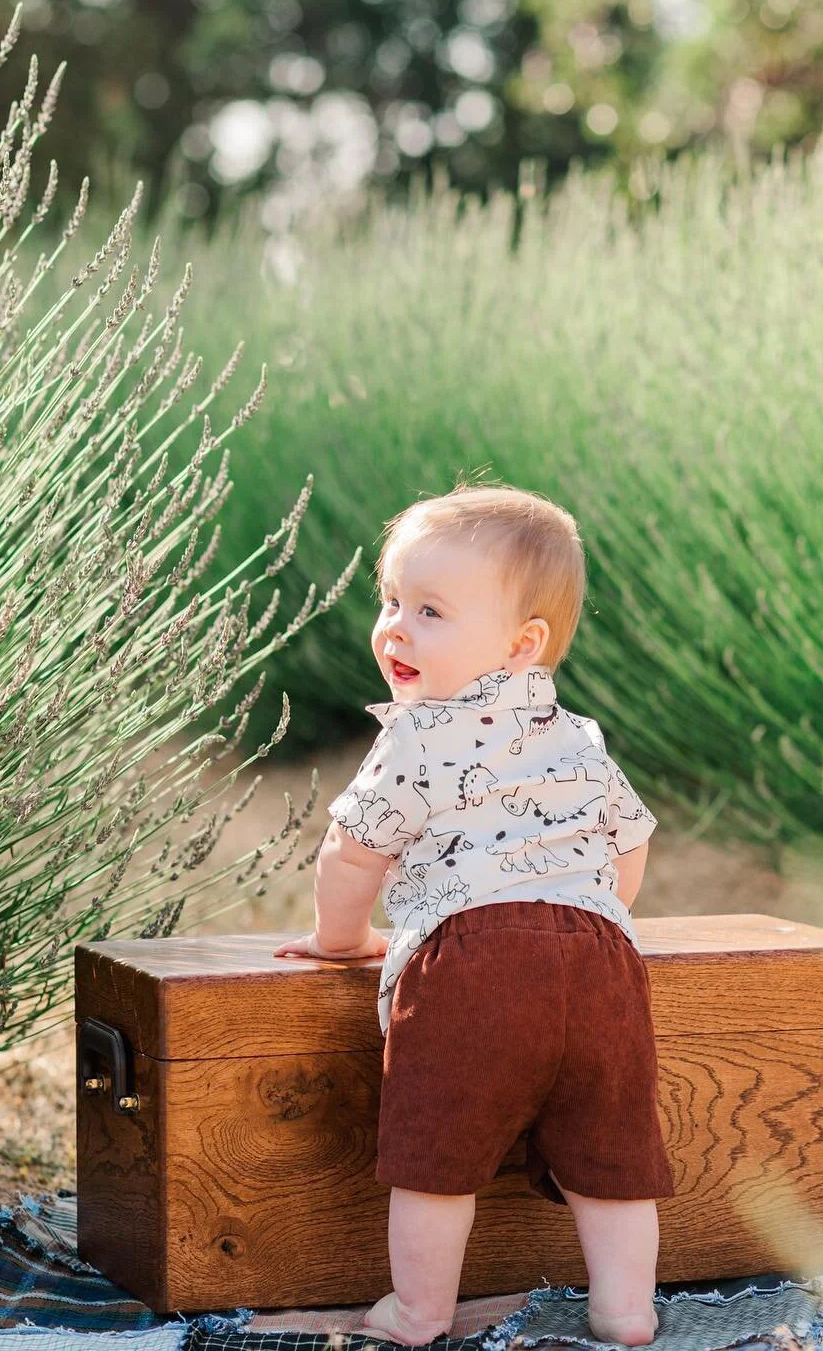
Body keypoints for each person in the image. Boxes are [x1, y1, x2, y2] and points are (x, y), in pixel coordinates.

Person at [274, 481, 674, 1347]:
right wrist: (589, 919)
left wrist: (338, 939)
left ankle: (419, 1311)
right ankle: (625, 1309)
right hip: (602, 958)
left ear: (522, 643)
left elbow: (352, 853)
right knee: (613, 1157)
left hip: (473, 961)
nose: (396, 629)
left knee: (436, 1151)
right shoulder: (581, 735)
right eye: (391, 602)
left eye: (429, 610)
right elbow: (631, 843)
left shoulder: (417, 736)